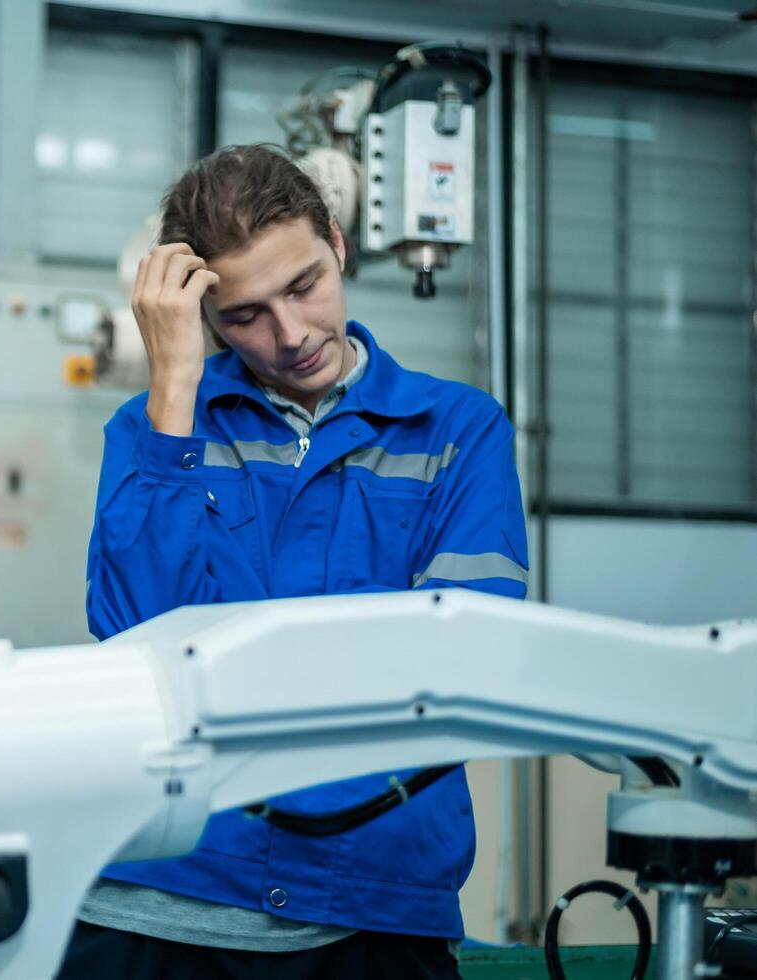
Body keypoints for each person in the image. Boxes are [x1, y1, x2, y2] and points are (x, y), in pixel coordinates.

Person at [62, 144, 529, 979]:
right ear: (203, 314)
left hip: (375, 904)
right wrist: (174, 384)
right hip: (158, 902)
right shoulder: (151, 430)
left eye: (304, 285)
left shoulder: (460, 430)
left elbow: (464, 663)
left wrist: (231, 665)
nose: (289, 335)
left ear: (338, 245)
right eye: (242, 315)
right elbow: (137, 642)